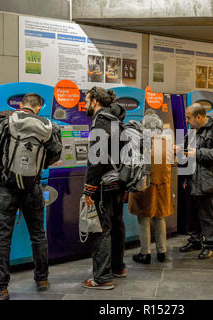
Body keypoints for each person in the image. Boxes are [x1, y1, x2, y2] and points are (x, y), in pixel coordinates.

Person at [0, 93, 62, 300]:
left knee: (3, 239)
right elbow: (56, 153)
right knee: (38, 234)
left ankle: (1, 287)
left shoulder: (5, 122)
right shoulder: (48, 127)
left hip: (6, 187)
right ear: (38, 107)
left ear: (21, 105)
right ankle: (42, 278)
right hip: (33, 187)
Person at [82, 86, 127, 290]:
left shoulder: (101, 121)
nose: (84, 104)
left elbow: (96, 159)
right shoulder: (116, 120)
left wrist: (89, 188)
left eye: (86, 100)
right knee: (117, 224)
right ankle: (118, 267)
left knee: (100, 229)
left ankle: (102, 278)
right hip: (118, 180)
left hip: (103, 184)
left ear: (95, 101)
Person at [174, 103, 213, 259]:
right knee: (192, 213)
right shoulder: (193, 131)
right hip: (192, 179)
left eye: (188, 118)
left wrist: (196, 153)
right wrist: (178, 148)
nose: (187, 121)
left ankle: (211, 245)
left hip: (208, 181)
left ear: (198, 117)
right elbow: (185, 146)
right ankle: (195, 240)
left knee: (208, 215)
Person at [129, 110, 173, 264]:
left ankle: (145, 253)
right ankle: (162, 252)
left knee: (144, 219)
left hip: (145, 186)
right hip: (162, 185)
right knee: (160, 218)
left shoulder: (143, 143)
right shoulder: (167, 141)